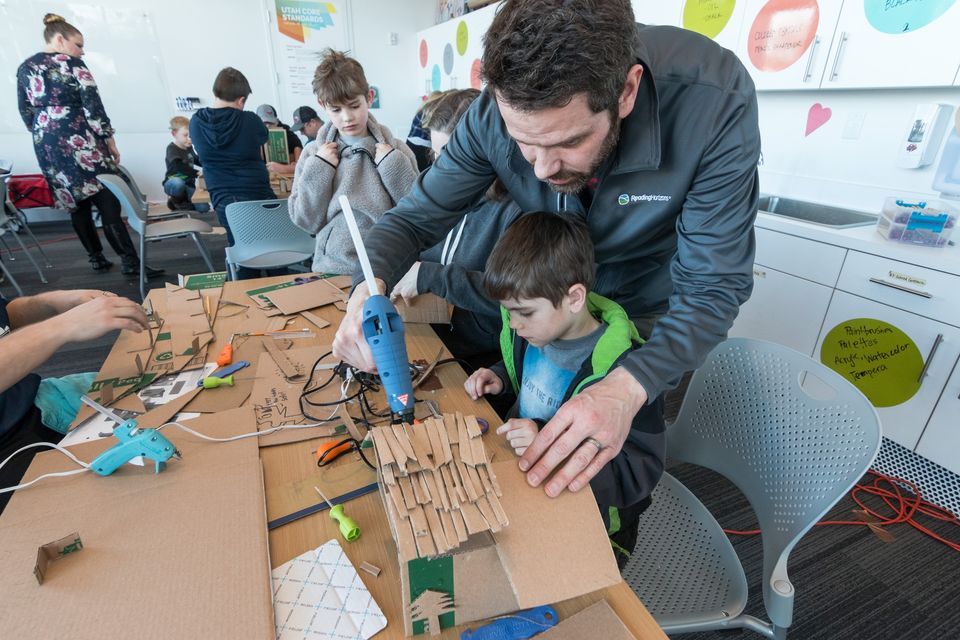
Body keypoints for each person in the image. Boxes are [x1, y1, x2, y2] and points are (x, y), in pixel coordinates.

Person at [333, 0, 760, 500]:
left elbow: (711, 288)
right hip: (556, 286)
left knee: (606, 463)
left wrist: (629, 385)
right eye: (524, 144)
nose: (540, 170)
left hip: (645, 313)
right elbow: (413, 219)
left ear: (625, 91)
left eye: (567, 142)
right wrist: (368, 288)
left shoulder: (713, 99)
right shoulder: (491, 114)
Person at [463, 212, 664, 568]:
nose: (513, 323)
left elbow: (637, 474)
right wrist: (501, 378)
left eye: (523, 312)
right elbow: (535, 383)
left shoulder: (626, 374)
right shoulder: (535, 331)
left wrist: (545, 439)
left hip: (596, 521)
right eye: (507, 311)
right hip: (527, 480)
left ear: (574, 298)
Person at [16, 14, 158, 277]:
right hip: (81, 137)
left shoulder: (25, 67)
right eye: (78, 44)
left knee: (76, 204)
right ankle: (131, 262)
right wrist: (109, 139)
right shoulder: (73, 63)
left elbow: (25, 112)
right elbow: (93, 105)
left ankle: (96, 258)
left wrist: (45, 132)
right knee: (107, 200)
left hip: (47, 144)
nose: (82, 50)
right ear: (60, 39)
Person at [390, 89, 522, 364]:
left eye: (452, 155)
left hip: (480, 362)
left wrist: (430, 276)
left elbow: (519, 298)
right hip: (427, 337)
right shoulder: (437, 193)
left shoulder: (516, 211)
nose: (443, 169)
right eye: (435, 155)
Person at [0, 289, 149, 514]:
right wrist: (63, 325)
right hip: (8, 452)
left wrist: (56, 301)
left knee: (157, 390)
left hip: (33, 399)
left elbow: (6, 318)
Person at [288, 49, 418, 275]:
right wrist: (320, 169)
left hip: (390, 268)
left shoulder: (396, 150)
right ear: (323, 105)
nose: (347, 117)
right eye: (336, 109)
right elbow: (306, 220)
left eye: (354, 106)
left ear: (369, 98)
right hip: (333, 268)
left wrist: (392, 166)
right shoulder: (312, 155)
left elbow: (418, 213)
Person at [189, 66, 275, 274]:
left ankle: (246, 284)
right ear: (241, 100)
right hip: (260, 197)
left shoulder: (196, 122)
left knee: (241, 248)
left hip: (224, 202)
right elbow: (264, 137)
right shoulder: (250, 120)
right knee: (273, 244)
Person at [162, 116, 209, 213]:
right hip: (173, 183)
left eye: (191, 136)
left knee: (204, 208)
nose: (190, 139)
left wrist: (210, 165)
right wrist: (197, 173)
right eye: (185, 135)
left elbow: (196, 159)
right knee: (178, 183)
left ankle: (186, 202)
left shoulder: (189, 147)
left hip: (189, 184)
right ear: (174, 134)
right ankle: (175, 200)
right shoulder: (172, 148)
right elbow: (177, 166)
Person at [256, 104, 303, 174]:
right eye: (264, 123)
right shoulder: (253, 131)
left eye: (271, 122)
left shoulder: (284, 128)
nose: (268, 126)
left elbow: (297, 143)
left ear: (276, 120)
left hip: (284, 168)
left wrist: (297, 163)